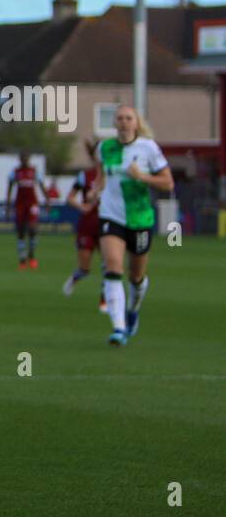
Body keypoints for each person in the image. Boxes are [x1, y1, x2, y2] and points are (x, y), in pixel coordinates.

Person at [95, 106, 174, 346]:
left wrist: (142, 177)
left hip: (139, 218)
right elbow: (100, 178)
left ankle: (133, 309)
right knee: (113, 267)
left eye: (129, 118)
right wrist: (93, 191)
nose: (124, 122)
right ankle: (118, 328)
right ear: (115, 123)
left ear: (136, 122)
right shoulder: (104, 148)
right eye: (119, 118)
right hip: (111, 215)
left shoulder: (148, 148)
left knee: (136, 276)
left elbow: (167, 183)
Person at [63, 137, 106, 312]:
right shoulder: (85, 176)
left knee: (108, 266)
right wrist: (83, 206)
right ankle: (75, 278)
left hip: (106, 225)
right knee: (85, 267)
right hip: (87, 226)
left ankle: (104, 301)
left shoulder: (112, 175)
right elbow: (70, 197)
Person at [7, 151, 46, 269]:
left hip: (32, 203)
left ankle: (32, 255)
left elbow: (41, 186)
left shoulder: (34, 171)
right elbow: (9, 188)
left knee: (33, 229)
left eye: (26, 158)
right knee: (20, 231)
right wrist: (8, 205)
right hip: (20, 204)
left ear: (29, 159)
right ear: (19, 159)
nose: (24, 160)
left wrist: (48, 200)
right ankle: (22, 259)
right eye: (22, 158)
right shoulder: (15, 172)